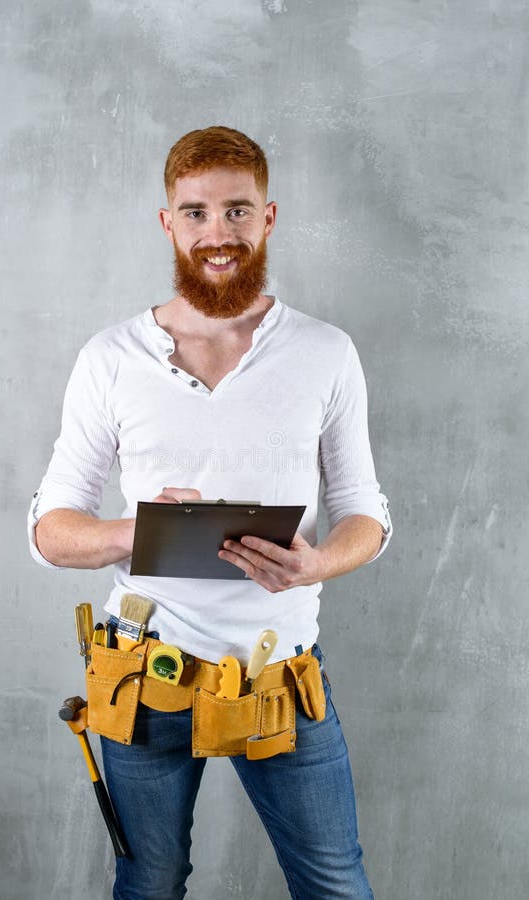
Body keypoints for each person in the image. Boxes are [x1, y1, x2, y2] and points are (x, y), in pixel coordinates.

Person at [28, 125, 392, 900]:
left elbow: (365, 511)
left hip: (283, 672)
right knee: (150, 883)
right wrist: (142, 530)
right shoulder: (110, 358)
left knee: (335, 883)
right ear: (168, 222)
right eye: (195, 213)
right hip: (144, 676)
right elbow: (51, 529)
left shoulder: (326, 352)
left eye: (236, 211)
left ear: (268, 217)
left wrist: (319, 561)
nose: (216, 233)